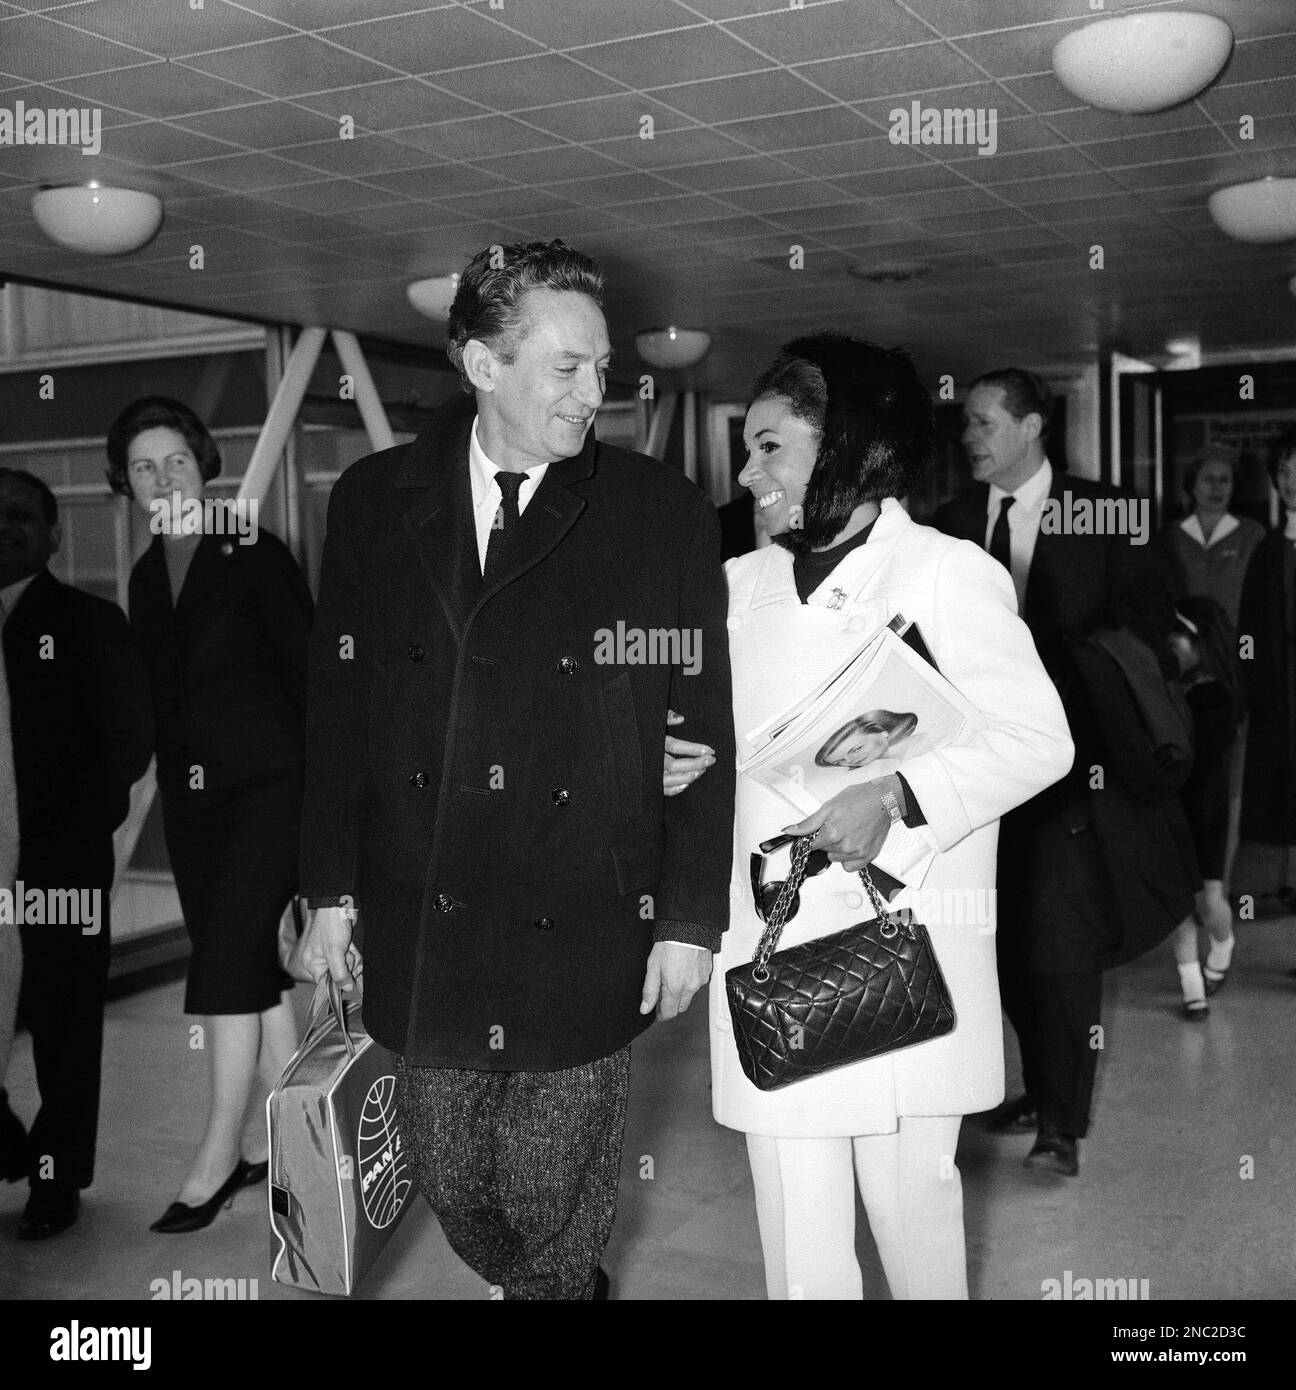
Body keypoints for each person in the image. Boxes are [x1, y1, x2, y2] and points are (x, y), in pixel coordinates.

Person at [294, 239, 736, 1301]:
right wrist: (328, 892)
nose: (596, 394)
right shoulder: (371, 501)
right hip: (424, 909)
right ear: (482, 365)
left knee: (549, 1199)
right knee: (452, 1178)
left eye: (603, 367)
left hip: (582, 906)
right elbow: (338, 713)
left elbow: (702, 724)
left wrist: (686, 915)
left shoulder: (656, 512)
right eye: (567, 368)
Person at [705, 335, 1072, 1300]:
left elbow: (1040, 741)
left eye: (770, 447)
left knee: (915, 1223)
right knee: (798, 1239)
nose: (748, 472)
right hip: (774, 953)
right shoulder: (736, 589)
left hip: (901, 952)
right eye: (748, 450)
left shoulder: (947, 572)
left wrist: (896, 799)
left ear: (848, 449)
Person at [934, 368, 1198, 1176]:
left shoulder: (1108, 509)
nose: (971, 438)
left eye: (984, 423)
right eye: (967, 425)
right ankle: (1037, 1085)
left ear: (1032, 425)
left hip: (1082, 775)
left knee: (1065, 944)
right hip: (984, 776)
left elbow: (1156, 634)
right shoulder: (948, 522)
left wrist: (1071, 658)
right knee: (1001, 940)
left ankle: (1062, 1120)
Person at [106, 398, 313, 1233]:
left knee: (227, 968)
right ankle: (283, 1141)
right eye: (145, 467)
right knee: (250, 971)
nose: (163, 479)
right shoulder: (146, 576)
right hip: (193, 805)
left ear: (203, 467)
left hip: (271, 793)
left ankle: (218, 1155)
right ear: (127, 484)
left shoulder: (255, 553)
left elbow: (309, 681)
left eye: (177, 462)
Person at [0, 468, 152, 1238]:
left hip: (59, 868)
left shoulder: (88, 622)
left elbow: (129, 739)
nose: (6, 525)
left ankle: (55, 1182)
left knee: (64, 1034)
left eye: (23, 515)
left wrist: (75, 831)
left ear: (54, 535)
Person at [1166, 599, 1243, 1018]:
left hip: (1206, 807)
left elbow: (1204, 759)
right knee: (1179, 900)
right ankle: (1191, 987)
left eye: (1177, 635)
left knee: (1210, 898)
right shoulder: (1177, 685)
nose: (1170, 642)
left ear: (1198, 641)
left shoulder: (1215, 694)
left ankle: (1224, 943)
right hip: (1173, 805)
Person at [1237, 427, 1296, 906]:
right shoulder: (1268, 551)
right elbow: (1250, 638)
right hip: (1283, 708)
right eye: (1283, 468)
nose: (1291, 478)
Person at [1161, 445, 1264, 628]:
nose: (1217, 488)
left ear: (1234, 486)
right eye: (1208, 479)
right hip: (1183, 645)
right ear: (1192, 485)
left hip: (1236, 643)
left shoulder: (1252, 534)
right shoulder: (1170, 534)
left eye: (1224, 480)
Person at [815, 710, 917, 768]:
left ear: (882, 731)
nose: (850, 761)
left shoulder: (918, 746)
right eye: (839, 761)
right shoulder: (880, 770)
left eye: (857, 749)